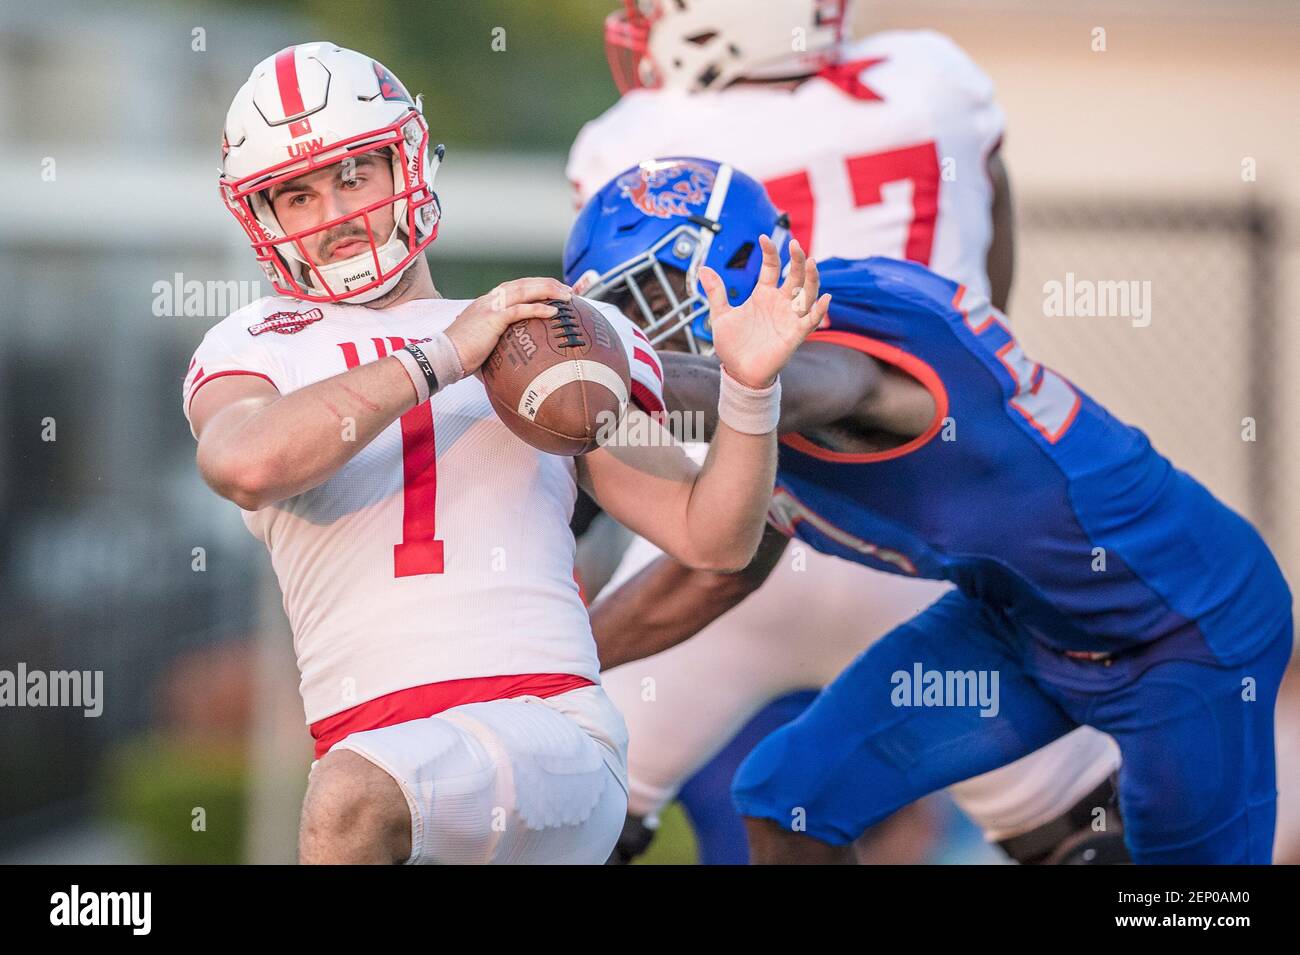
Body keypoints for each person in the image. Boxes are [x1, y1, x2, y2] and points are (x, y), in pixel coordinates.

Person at [183, 44, 826, 864]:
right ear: (261, 216)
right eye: (298, 194)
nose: (335, 213)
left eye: (354, 176)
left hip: (548, 734)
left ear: (406, 162)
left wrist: (749, 391)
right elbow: (242, 461)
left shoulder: (541, 335)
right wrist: (440, 356)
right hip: (390, 772)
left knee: (347, 797)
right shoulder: (254, 344)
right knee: (352, 792)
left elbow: (715, 538)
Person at [570, 156, 1292, 864]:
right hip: (1024, 624)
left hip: (1186, 620)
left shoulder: (836, 349)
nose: (631, 331)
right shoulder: (756, 402)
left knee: (1193, 912)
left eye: (639, 305)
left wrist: (610, 366)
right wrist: (551, 657)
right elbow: (711, 572)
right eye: (613, 318)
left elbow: (820, 386)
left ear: (725, 266)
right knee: (785, 799)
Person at [568, 0, 1121, 864]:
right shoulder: (936, 82)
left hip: (721, 531)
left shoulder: (629, 135)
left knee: (562, 809)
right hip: (937, 538)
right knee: (1086, 833)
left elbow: (640, 356)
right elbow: (994, 241)